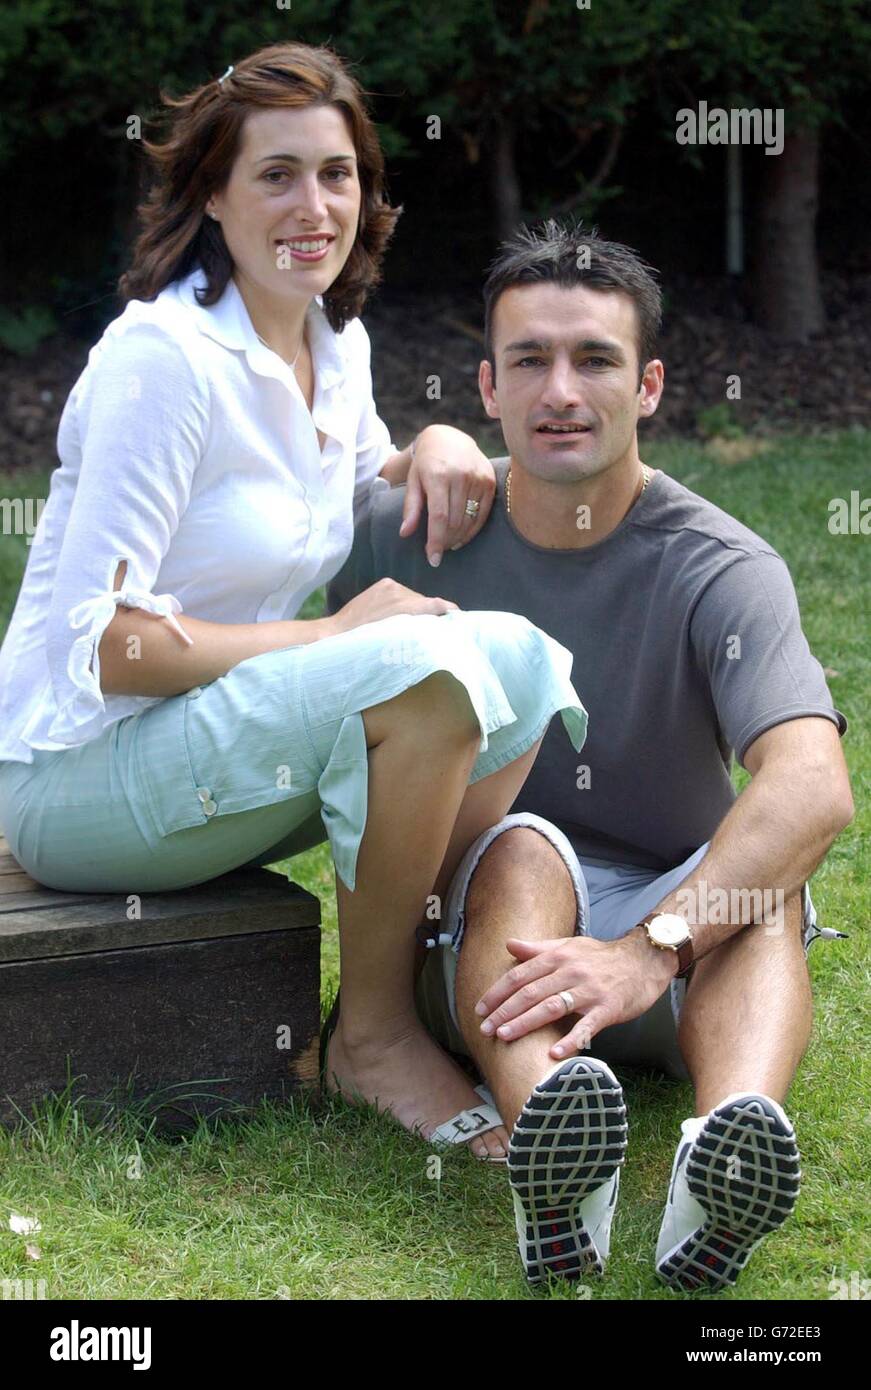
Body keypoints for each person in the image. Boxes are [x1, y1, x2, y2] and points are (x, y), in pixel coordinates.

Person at [0, 49, 590, 1162]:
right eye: (275, 176)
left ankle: (423, 995)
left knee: (516, 658)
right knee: (419, 668)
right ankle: (369, 1042)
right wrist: (328, 636)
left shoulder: (331, 339)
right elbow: (108, 647)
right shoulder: (161, 362)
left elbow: (360, 468)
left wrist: (437, 440)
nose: (312, 207)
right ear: (211, 194)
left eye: (337, 173)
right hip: (76, 777)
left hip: (211, 754)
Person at [327, 219, 854, 1287]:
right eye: (530, 359)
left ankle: (722, 1150)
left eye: (594, 360)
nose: (560, 389)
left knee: (761, 889)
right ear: (486, 385)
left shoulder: (721, 567)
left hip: (671, 956)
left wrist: (649, 947)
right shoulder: (406, 524)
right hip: (476, 945)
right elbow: (259, 518)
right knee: (523, 846)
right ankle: (552, 1159)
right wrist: (413, 446)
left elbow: (813, 785)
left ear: (649, 386)